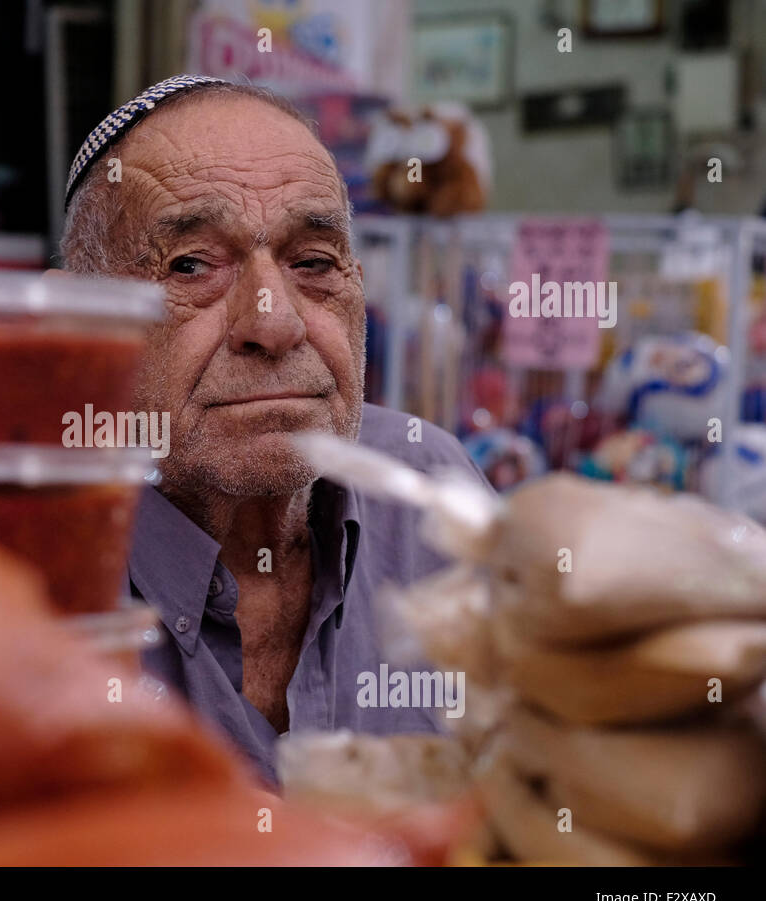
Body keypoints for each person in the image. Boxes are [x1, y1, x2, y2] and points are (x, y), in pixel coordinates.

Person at [59, 75, 490, 786]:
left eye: (314, 263)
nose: (274, 323)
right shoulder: (26, 557)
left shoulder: (427, 494)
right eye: (191, 265)